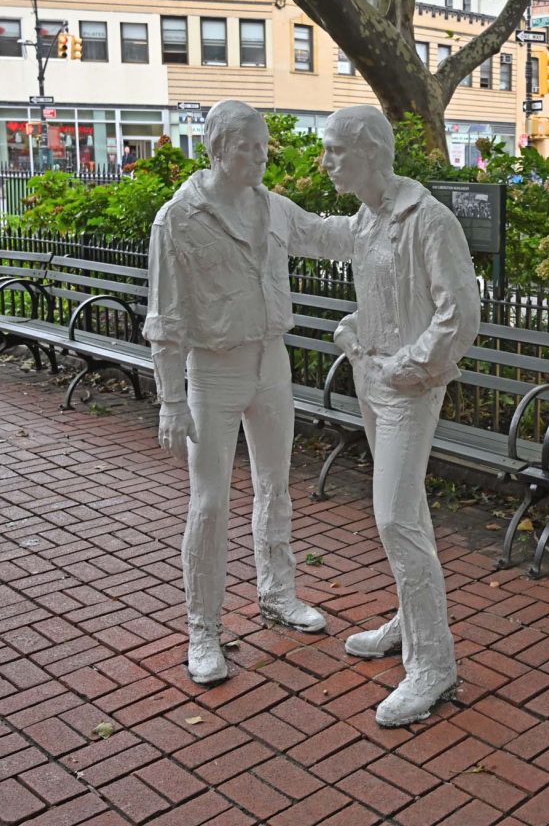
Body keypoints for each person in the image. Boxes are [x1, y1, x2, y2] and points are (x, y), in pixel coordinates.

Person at [145, 99, 352, 686]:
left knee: (275, 487)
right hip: (213, 372)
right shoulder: (178, 219)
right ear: (217, 148)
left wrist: (388, 215)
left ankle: (277, 592)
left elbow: (325, 236)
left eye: (265, 147)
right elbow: (165, 318)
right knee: (209, 504)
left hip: (272, 364)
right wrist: (170, 399)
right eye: (249, 147)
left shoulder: (273, 208)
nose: (261, 157)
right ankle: (202, 628)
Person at [320, 104, 480, 727]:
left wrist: (409, 364)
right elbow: (310, 232)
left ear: (370, 151)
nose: (327, 161)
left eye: (336, 150)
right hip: (372, 379)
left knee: (392, 517)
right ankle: (408, 620)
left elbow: (459, 313)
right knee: (406, 511)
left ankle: (434, 664)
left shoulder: (428, 220)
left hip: (409, 387)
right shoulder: (366, 219)